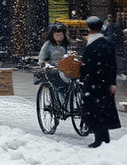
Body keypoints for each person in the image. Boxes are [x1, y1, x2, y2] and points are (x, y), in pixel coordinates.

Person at [79, 16, 121, 148]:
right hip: (103, 81)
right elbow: (113, 64)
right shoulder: (107, 43)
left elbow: (86, 64)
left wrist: (81, 73)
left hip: (94, 81)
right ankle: (103, 137)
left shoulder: (92, 44)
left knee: (94, 110)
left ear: (89, 28)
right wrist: (112, 82)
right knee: (102, 109)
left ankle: (100, 138)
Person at [37, 23, 71, 93]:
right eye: (56, 35)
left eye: (60, 35)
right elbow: (43, 54)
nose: (59, 37)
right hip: (53, 66)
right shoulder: (48, 44)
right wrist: (42, 62)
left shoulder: (67, 44)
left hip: (66, 66)